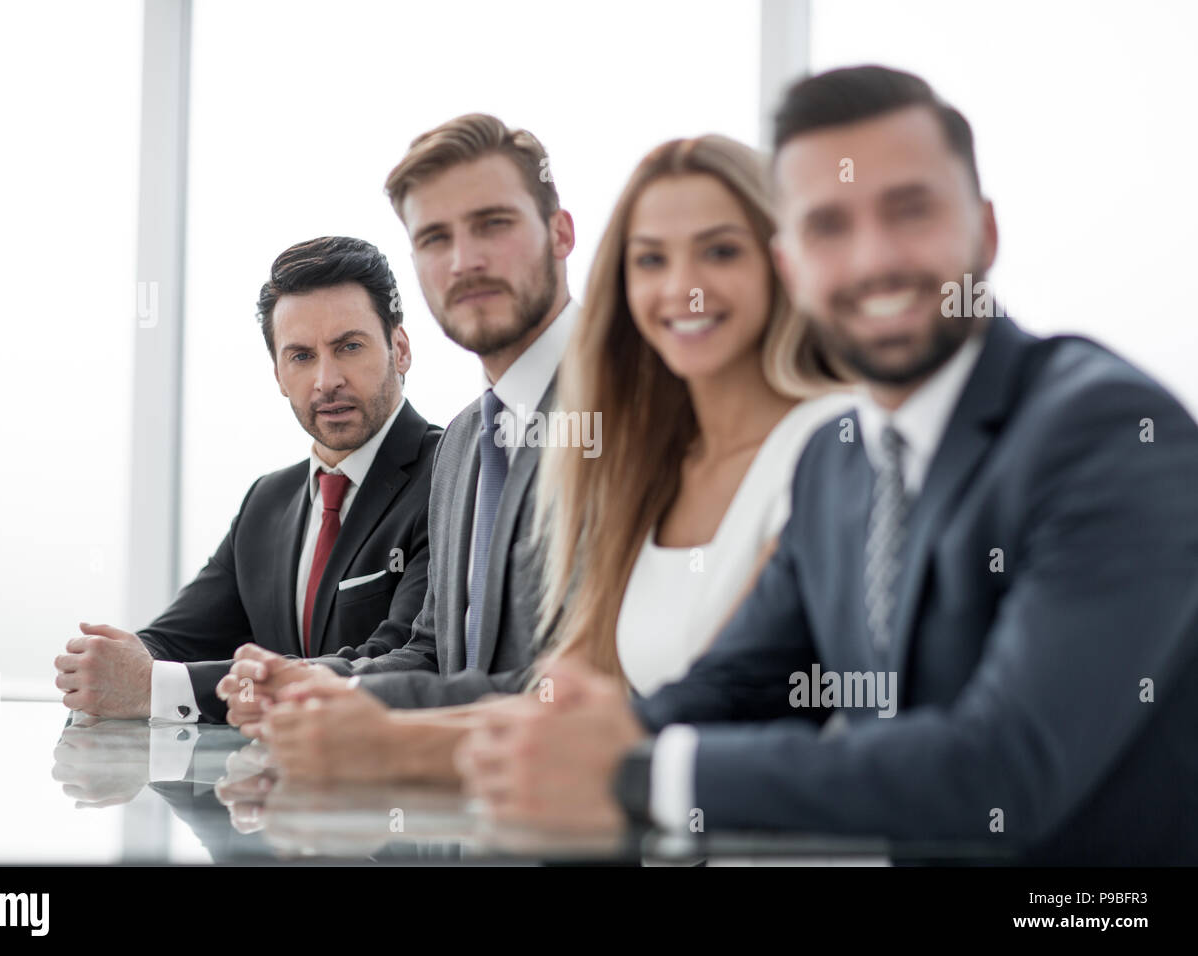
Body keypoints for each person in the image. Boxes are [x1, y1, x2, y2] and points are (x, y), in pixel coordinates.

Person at [455, 65, 1198, 866]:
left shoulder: (1110, 432)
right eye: (828, 227)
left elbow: (1003, 768)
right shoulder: (835, 464)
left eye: (910, 211)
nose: (873, 259)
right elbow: (740, 686)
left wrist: (646, 771)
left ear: (986, 230)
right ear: (792, 266)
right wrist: (598, 728)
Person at [257, 134, 855, 782]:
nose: (685, 288)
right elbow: (578, 681)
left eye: (720, 250)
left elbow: (697, 705)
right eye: (650, 260)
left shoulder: (657, 428)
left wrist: (394, 740)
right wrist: (337, 700)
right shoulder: (469, 443)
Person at [217, 113, 579, 737]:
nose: (464, 261)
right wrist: (323, 686)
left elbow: (588, 680)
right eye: (435, 238)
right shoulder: (465, 442)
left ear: (560, 233)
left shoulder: (630, 408)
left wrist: (360, 708)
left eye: (493, 223)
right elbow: (436, 654)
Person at [54, 236, 440, 723]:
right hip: (271, 789)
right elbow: (173, 640)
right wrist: (111, 667)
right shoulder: (267, 502)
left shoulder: (449, 473)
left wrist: (154, 687)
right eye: (300, 356)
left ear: (399, 349)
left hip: (390, 788)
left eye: (349, 347)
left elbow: (401, 659)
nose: (326, 379)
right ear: (278, 373)